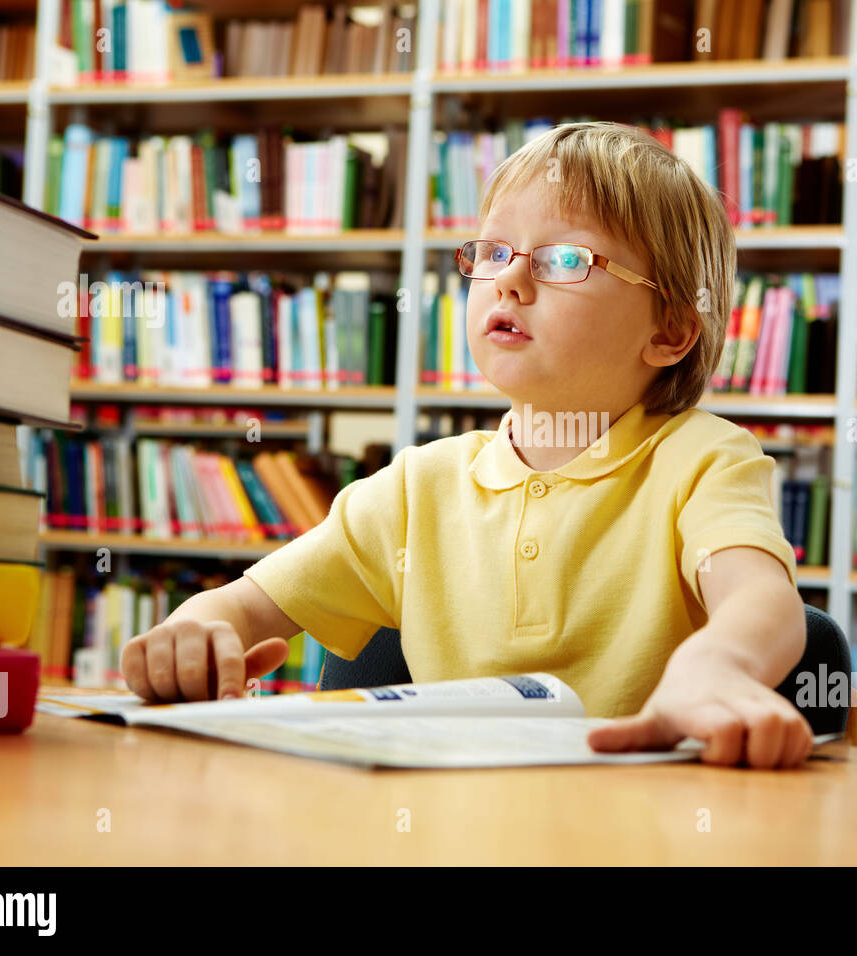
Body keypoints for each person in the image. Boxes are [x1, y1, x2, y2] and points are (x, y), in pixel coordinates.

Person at [121, 121, 812, 768]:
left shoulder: (703, 460)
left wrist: (717, 664)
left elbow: (763, 602)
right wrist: (196, 630)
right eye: (494, 251)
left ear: (668, 331)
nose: (509, 278)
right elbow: (245, 605)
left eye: (565, 259)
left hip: (643, 825)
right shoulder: (418, 487)